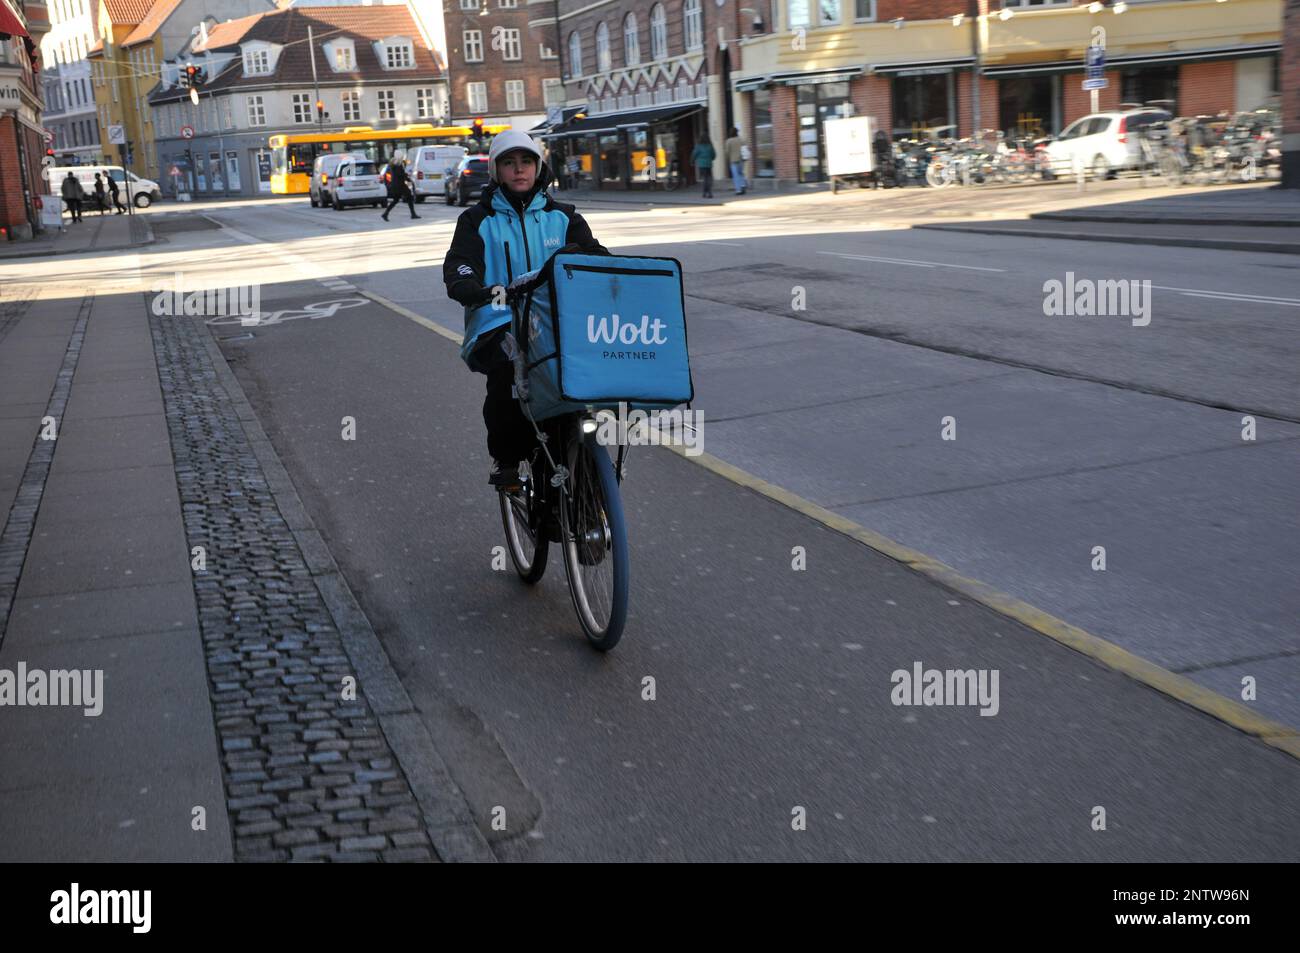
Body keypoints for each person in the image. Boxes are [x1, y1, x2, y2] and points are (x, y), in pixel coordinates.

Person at [443, 130, 608, 491]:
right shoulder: (476, 221)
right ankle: (506, 457)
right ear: (496, 171)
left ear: (539, 166)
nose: (519, 170)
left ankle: (585, 464)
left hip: (557, 319)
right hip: (499, 318)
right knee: (508, 368)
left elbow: (598, 257)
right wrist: (468, 284)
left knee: (584, 367)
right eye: (509, 162)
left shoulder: (563, 218)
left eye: (527, 162)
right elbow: (461, 264)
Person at [724, 126, 749, 195]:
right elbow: (745, 148)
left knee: (736, 175)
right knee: (741, 173)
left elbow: (727, 152)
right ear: (737, 132)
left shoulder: (728, 141)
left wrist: (727, 159)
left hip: (733, 160)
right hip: (741, 160)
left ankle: (738, 190)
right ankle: (743, 185)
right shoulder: (741, 139)